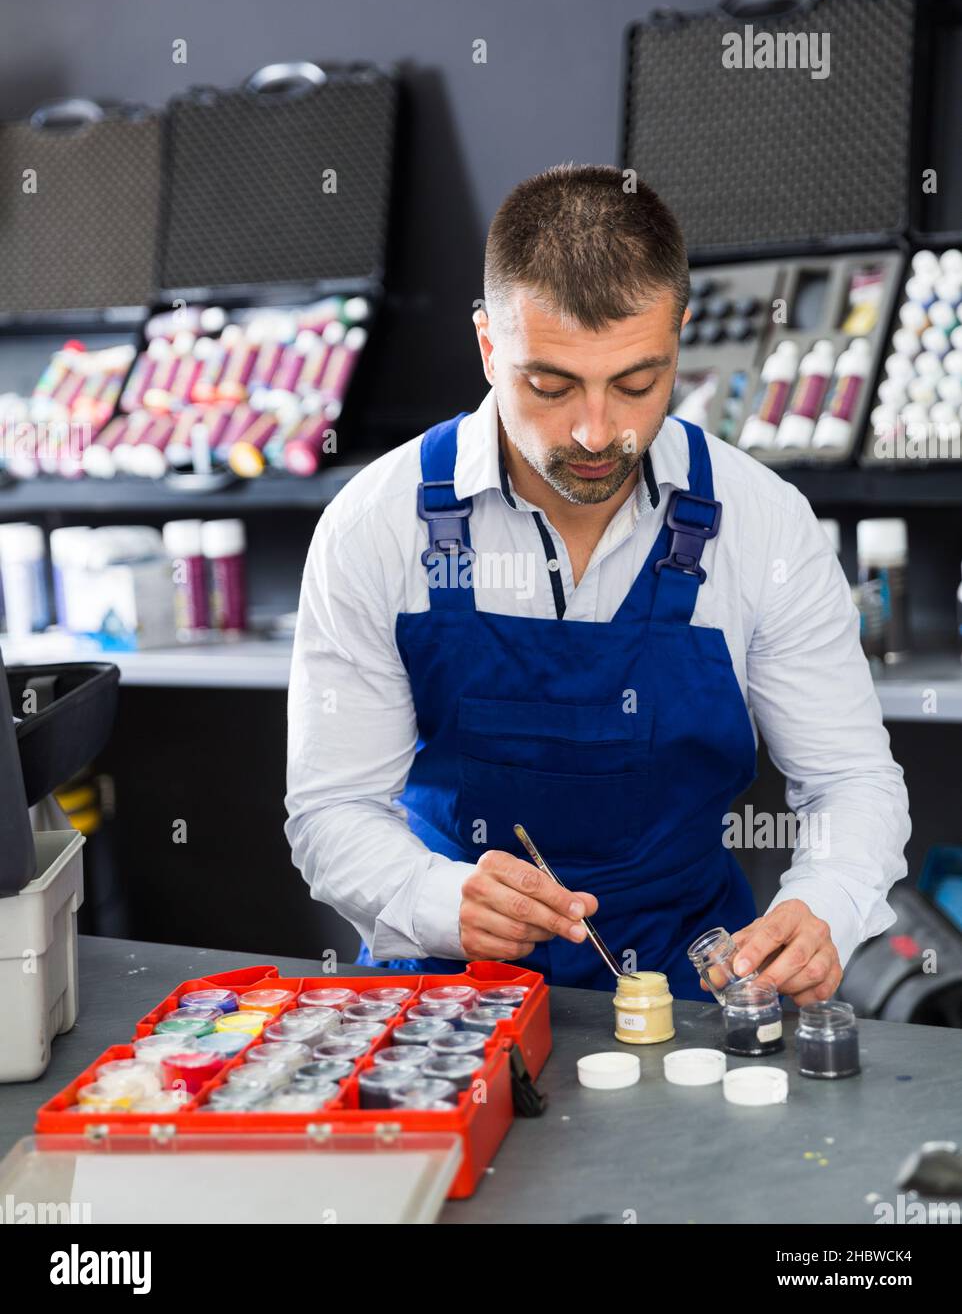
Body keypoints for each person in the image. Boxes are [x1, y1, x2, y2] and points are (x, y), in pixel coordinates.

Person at [285, 162, 909, 1003]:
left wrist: (824, 903)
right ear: (487, 346)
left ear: (678, 338)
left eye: (637, 384)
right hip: (443, 1003)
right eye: (549, 384)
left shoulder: (763, 524)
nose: (596, 432)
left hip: (691, 991)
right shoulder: (376, 526)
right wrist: (438, 899)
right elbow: (332, 810)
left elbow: (851, 781)